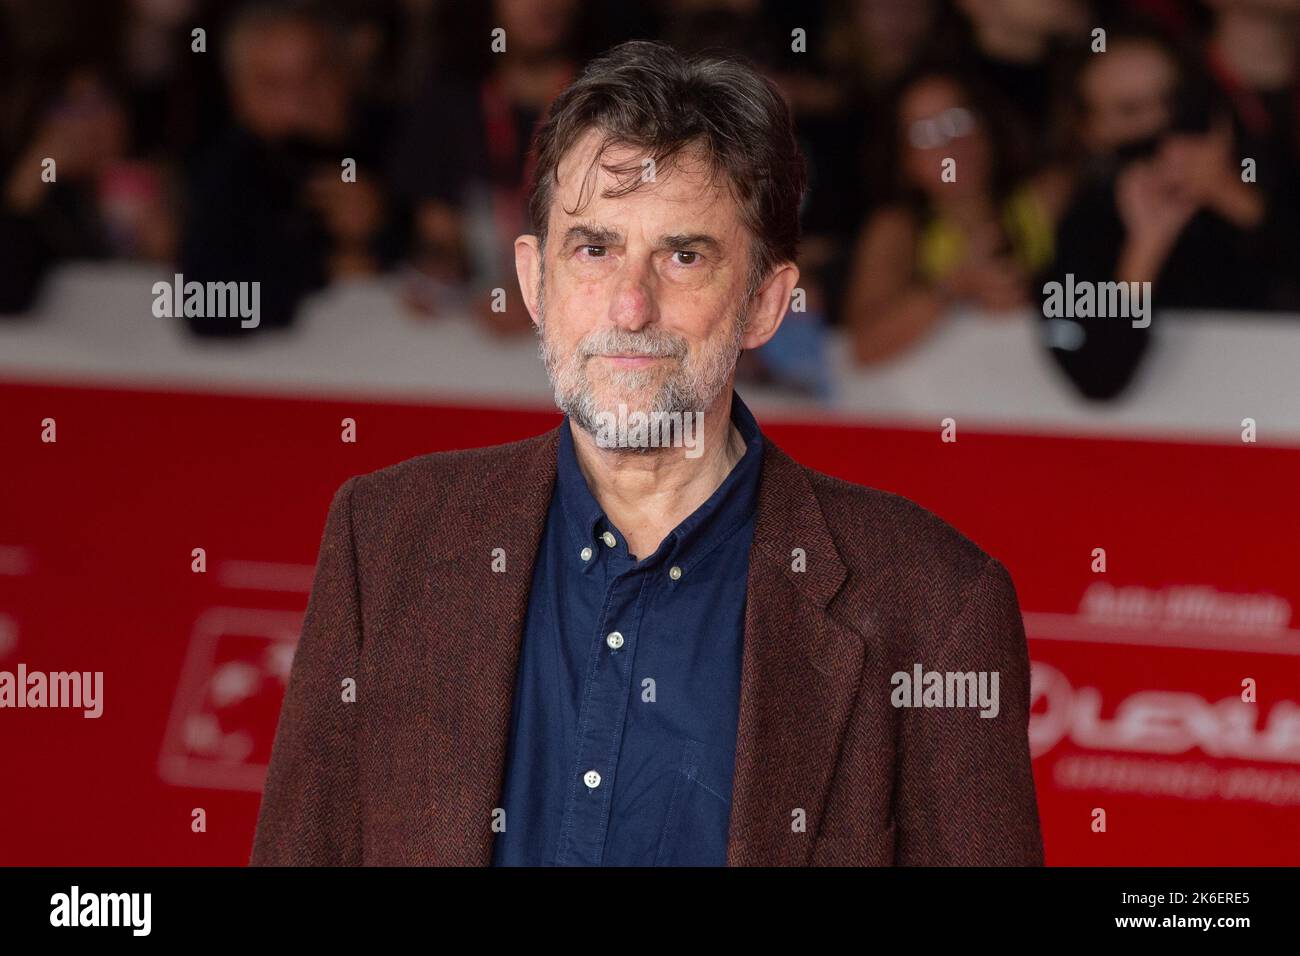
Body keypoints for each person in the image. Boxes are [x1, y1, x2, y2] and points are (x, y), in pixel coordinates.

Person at [250, 40, 1043, 867]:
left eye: (684, 255)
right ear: (534, 280)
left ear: (765, 302)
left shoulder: (931, 606)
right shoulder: (384, 543)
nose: (631, 307)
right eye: (594, 249)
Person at [843, 67, 1061, 364]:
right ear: (905, 160)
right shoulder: (897, 228)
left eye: (959, 120)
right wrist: (955, 286)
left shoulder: (1050, 197)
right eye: (926, 134)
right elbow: (864, 347)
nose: (951, 144)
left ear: (988, 128)